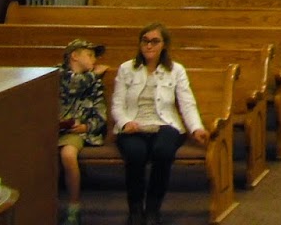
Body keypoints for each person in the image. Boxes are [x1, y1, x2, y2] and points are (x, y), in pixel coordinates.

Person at [110, 23, 209, 225]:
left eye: (155, 41)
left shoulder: (175, 70)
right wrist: (126, 122)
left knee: (163, 152)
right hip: (134, 126)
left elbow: (187, 103)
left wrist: (196, 127)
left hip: (165, 124)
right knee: (135, 154)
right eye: (145, 41)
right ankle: (136, 209)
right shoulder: (127, 69)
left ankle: (153, 208)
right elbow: (117, 105)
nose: (149, 46)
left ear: (164, 45)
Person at [58, 39, 108, 224]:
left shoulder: (95, 84)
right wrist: (94, 76)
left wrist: (86, 127)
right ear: (74, 56)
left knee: (68, 155)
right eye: (90, 54)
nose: (94, 59)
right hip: (50, 130)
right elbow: (71, 86)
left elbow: (100, 113)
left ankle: (73, 207)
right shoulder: (58, 75)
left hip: (76, 133)